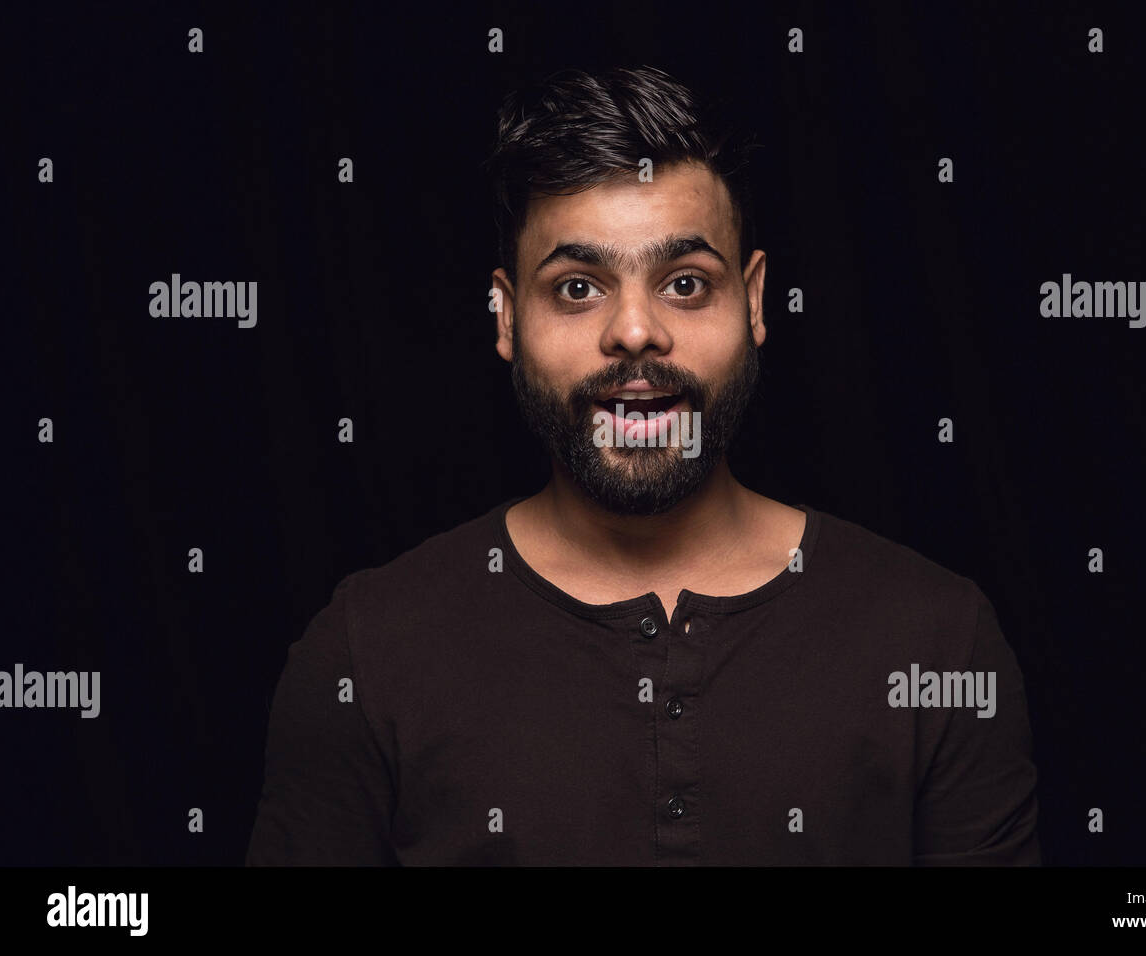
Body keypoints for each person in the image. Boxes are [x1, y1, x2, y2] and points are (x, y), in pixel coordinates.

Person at [246, 65, 1041, 866]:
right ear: (507, 316)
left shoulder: (937, 642)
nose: (634, 332)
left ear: (756, 302)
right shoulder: (367, 651)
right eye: (578, 287)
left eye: (686, 284)